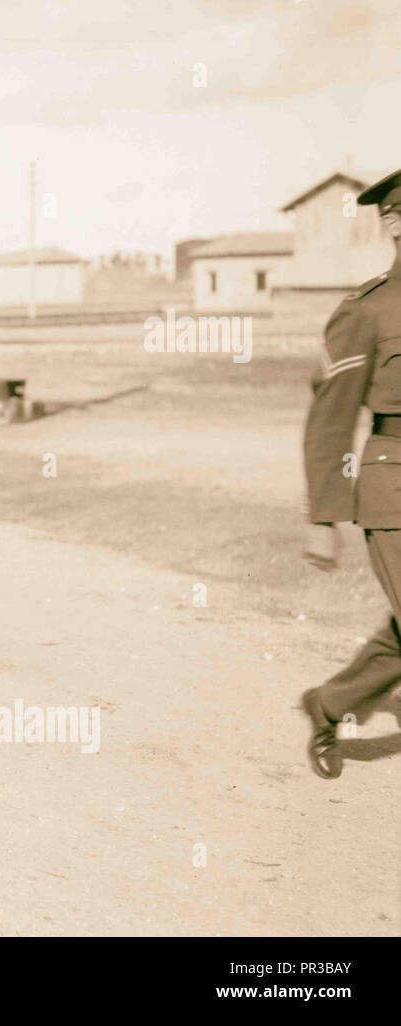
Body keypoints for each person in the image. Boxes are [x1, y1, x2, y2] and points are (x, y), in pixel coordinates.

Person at [301, 168, 401, 779]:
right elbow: (331, 421)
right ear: (393, 224)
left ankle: (331, 702)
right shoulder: (366, 311)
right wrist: (323, 516)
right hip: (395, 483)